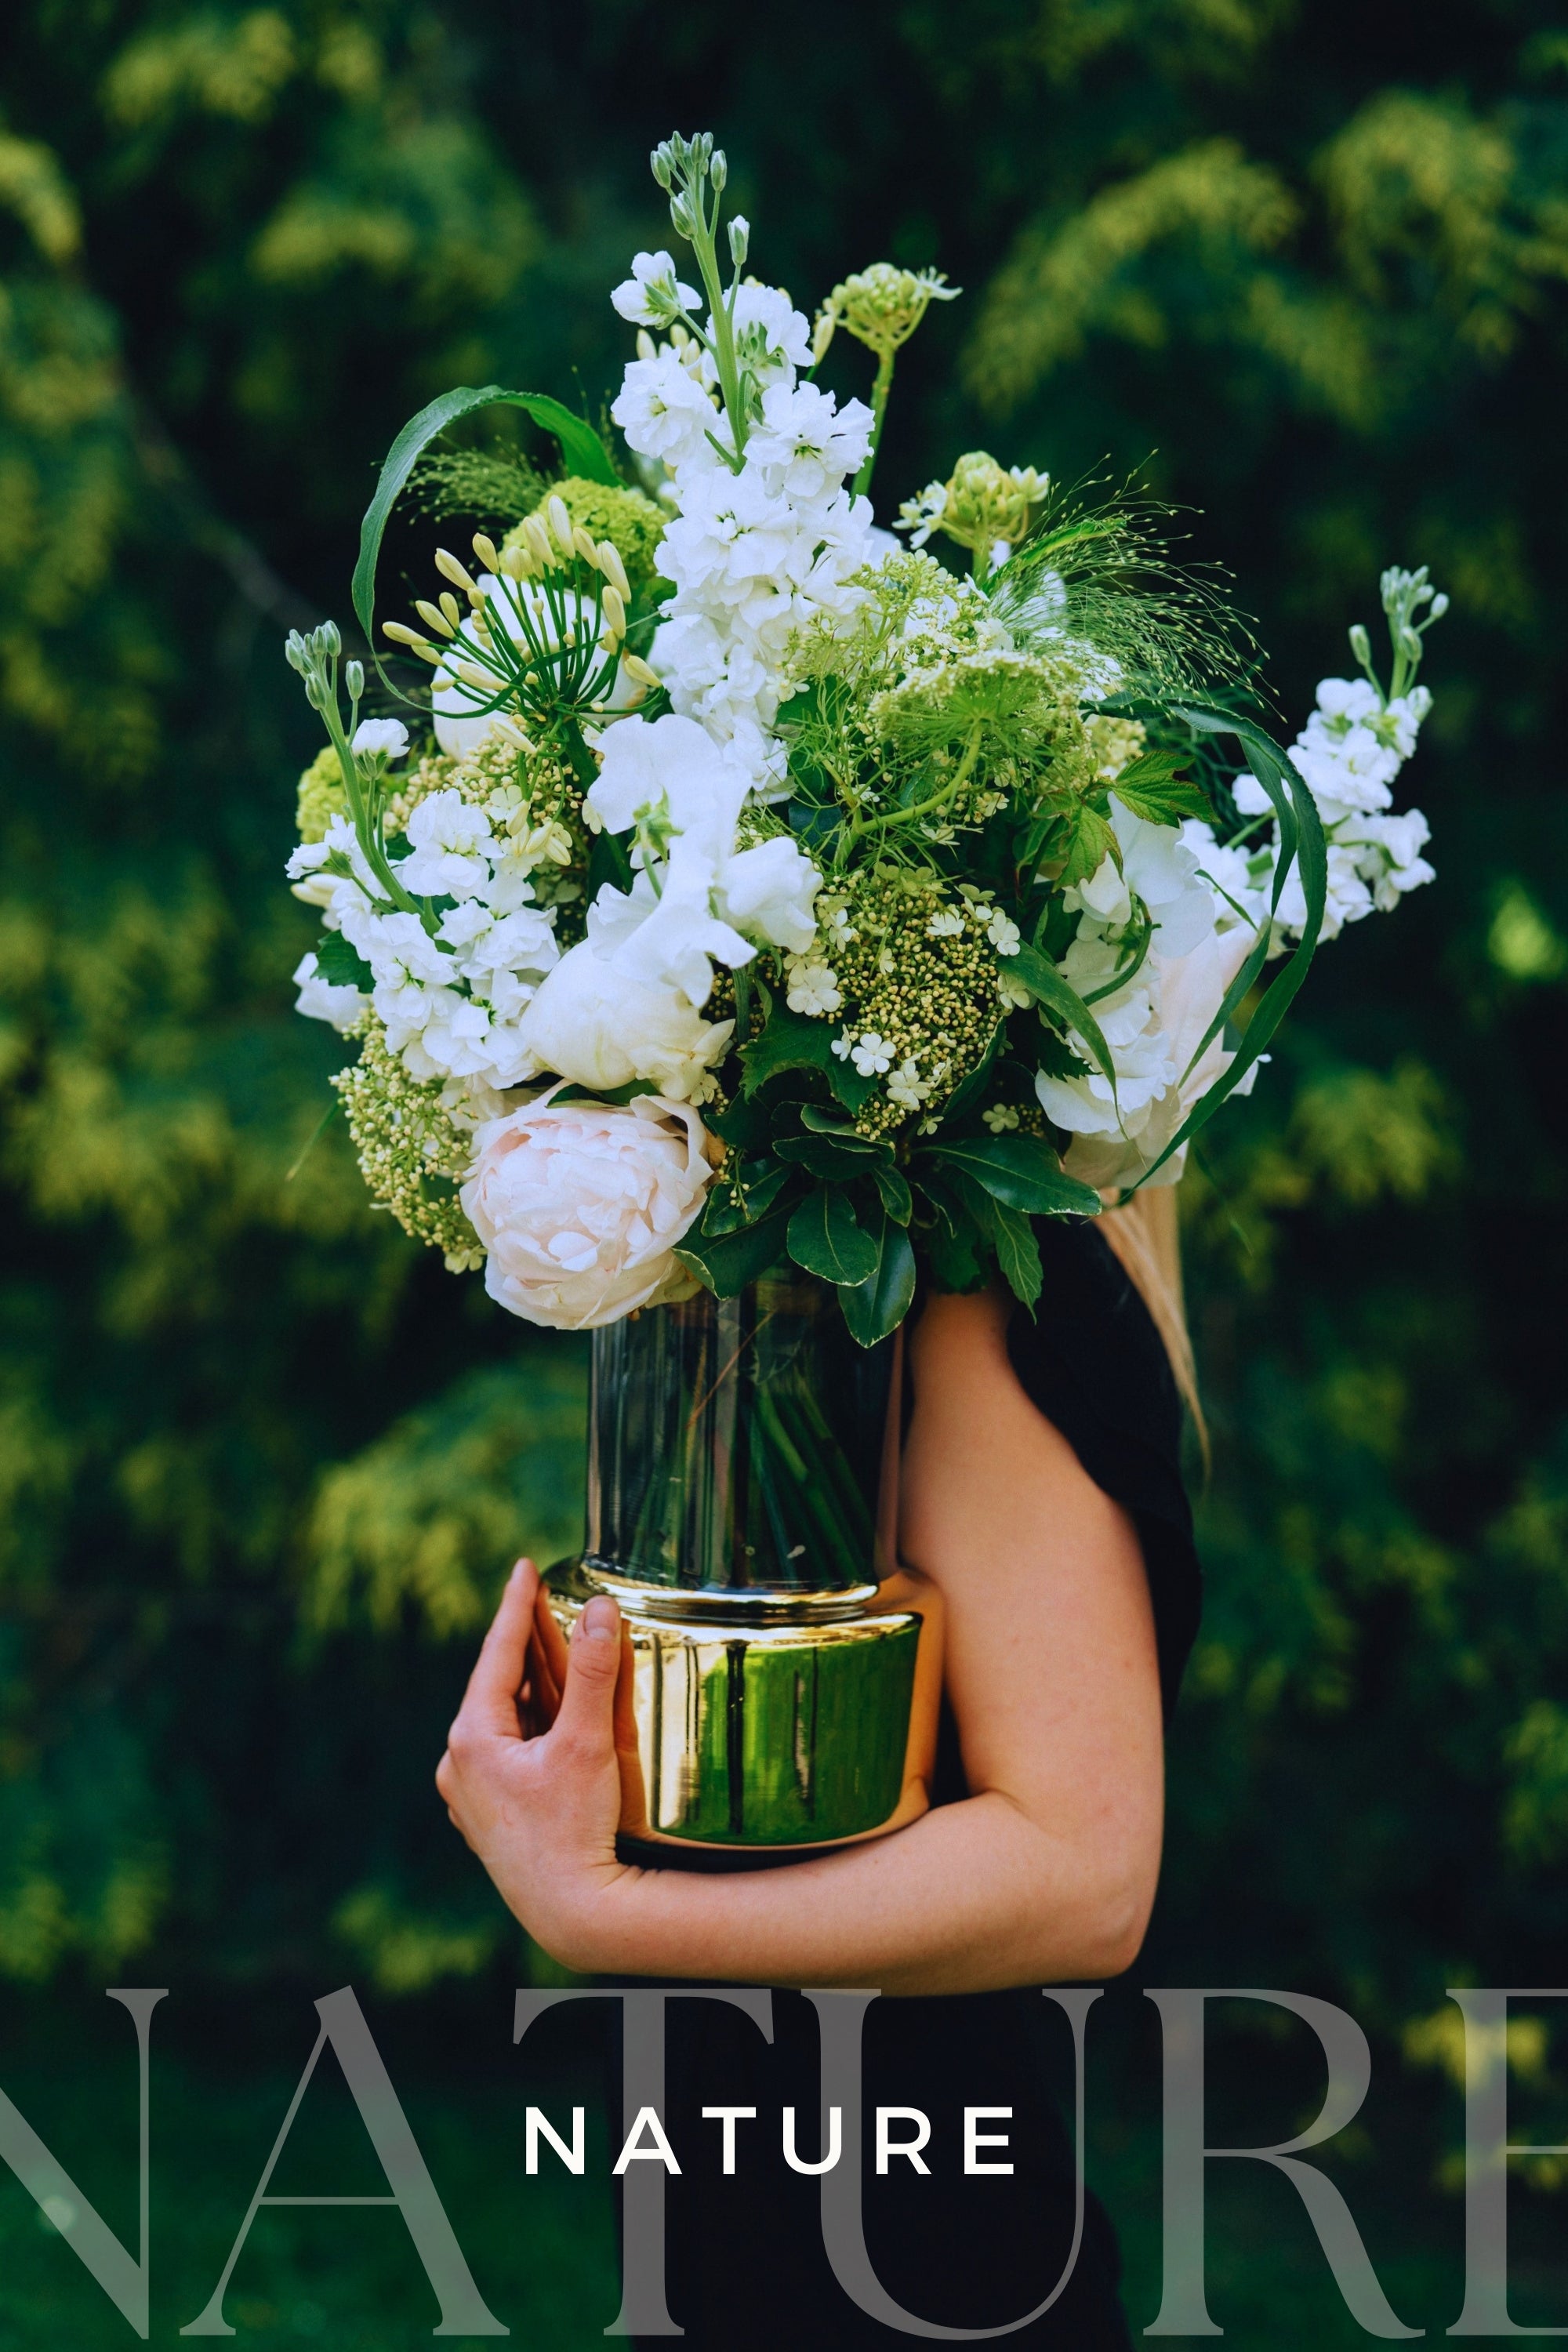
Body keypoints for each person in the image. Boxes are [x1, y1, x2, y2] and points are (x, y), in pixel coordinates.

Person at [437, 1191, 1203, 2347]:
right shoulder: (799, 1273)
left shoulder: (973, 1276)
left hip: (912, 2255)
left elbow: (1083, 1873)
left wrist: (602, 1913)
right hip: (785, 2216)